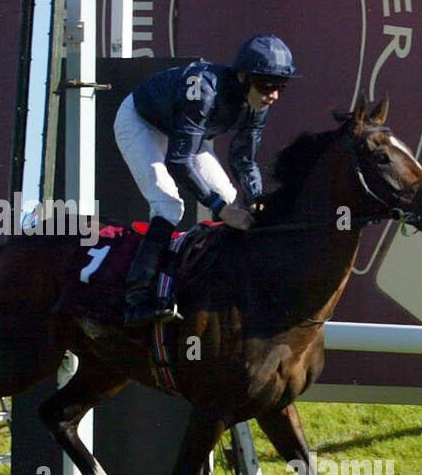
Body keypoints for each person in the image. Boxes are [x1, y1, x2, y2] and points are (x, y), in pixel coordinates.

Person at [114, 34, 298, 325]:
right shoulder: (204, 90)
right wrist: (223, 211)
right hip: (143, 123)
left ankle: (217, 284)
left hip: (187, 137)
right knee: (168, 205)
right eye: (265, 84)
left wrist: (257, 200)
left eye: (281, 86)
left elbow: (244, 160)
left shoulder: (257, 106)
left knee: (231, 198)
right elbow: (178, 160)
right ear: (242, 77)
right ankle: (136, 298)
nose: (273, 94)